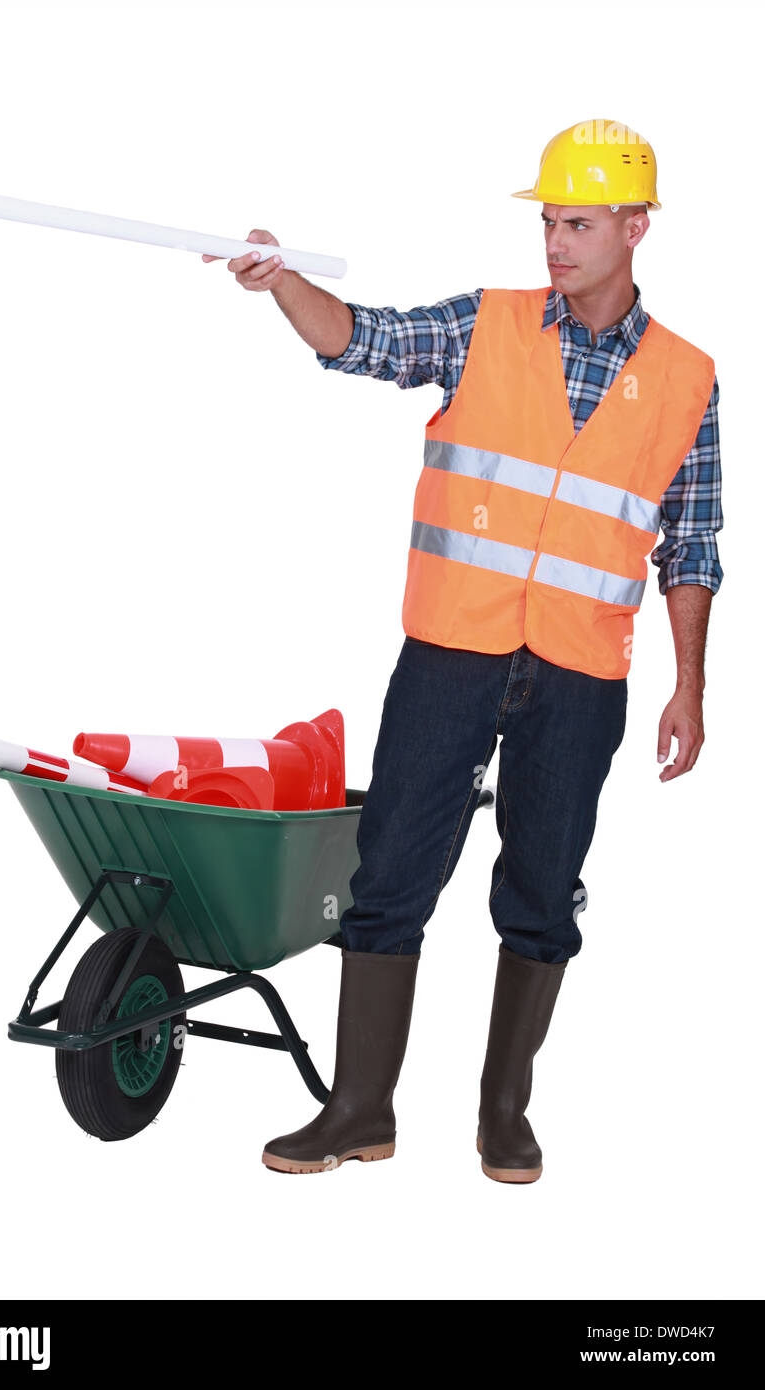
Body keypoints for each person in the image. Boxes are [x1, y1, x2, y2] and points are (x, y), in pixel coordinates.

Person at [203, 119, 723, 1181]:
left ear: (634, 229)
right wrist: (281, 283)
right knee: (389, 868)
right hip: (452, 650)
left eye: (577, 223)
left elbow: (693, 540)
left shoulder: (685, 379)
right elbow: (361, 339)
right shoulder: (483, 326)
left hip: (581, 671)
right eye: (547, 221)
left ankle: (502, 1110)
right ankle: (357, 1110)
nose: (555, 242)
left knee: (540, 885)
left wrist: (689, 687)